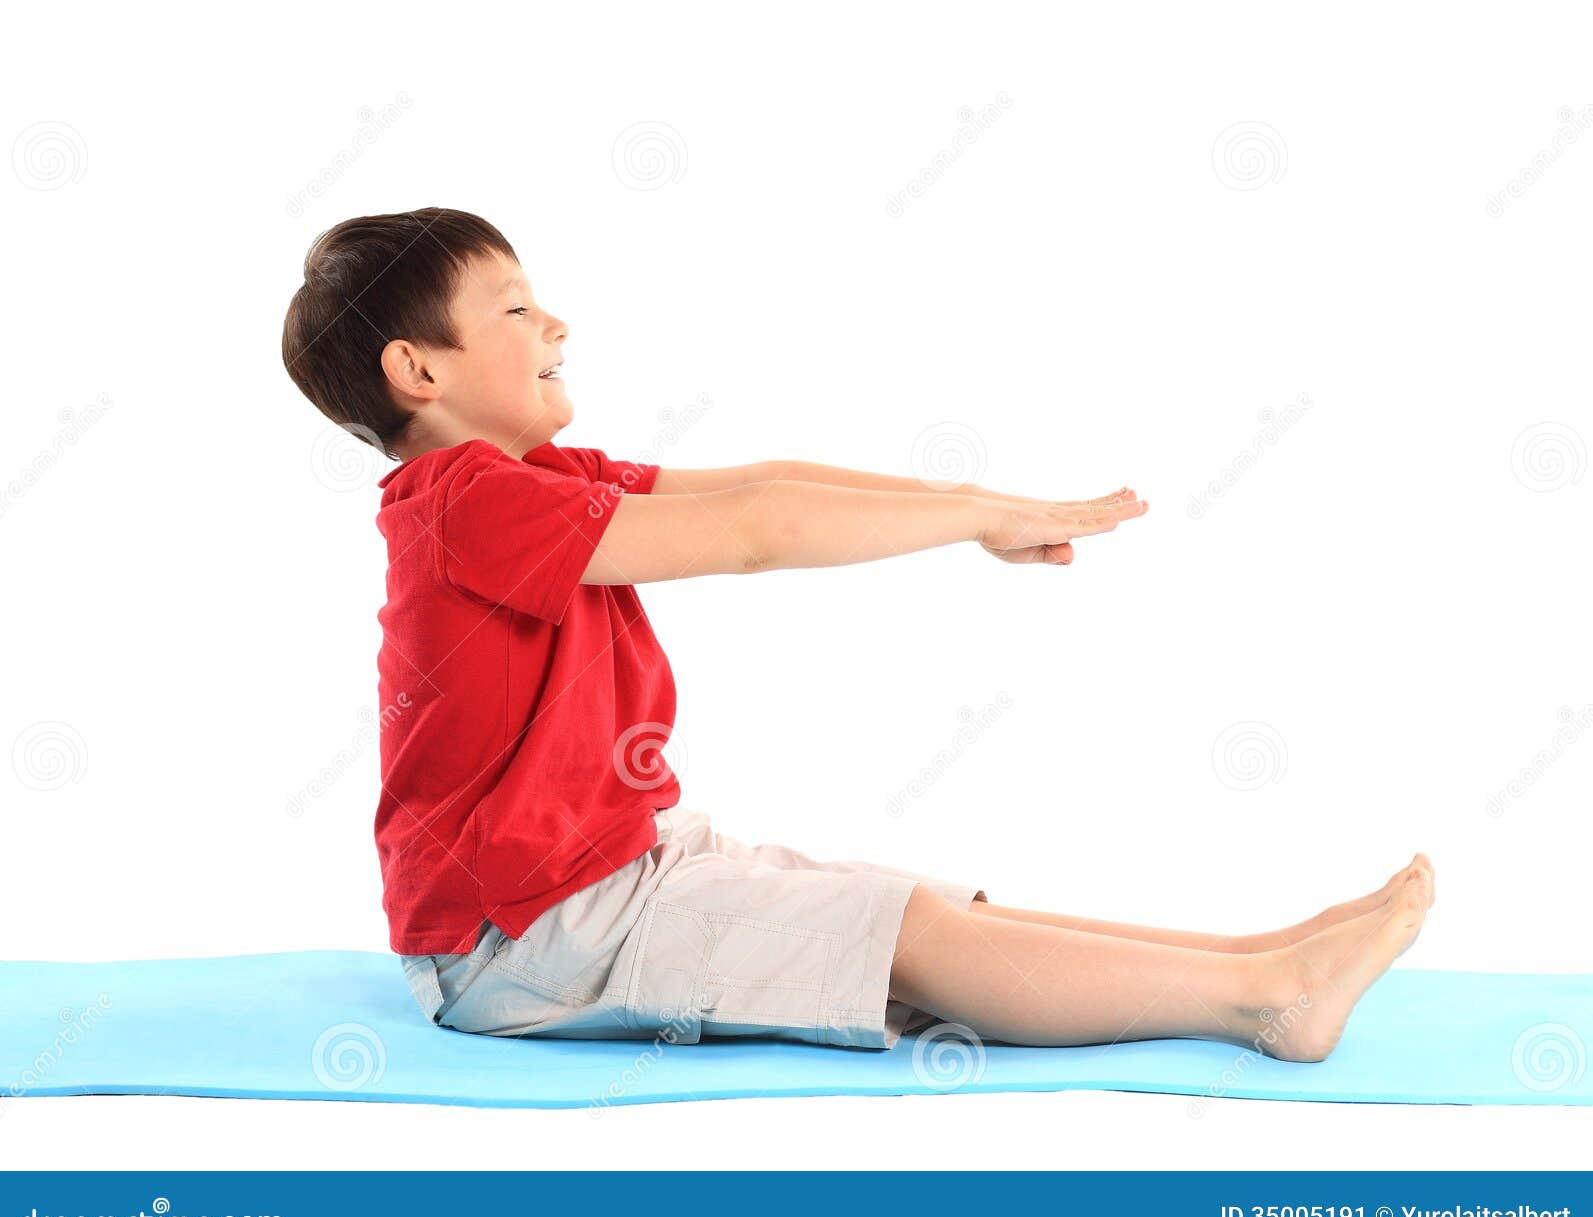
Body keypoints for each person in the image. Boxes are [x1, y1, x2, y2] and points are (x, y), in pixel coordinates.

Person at [282, 207, 1434, 1063]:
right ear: (417, 369)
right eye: (518, 308)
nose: (557, 323)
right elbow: (751, 533)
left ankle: (1253, 955)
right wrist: (979, 517)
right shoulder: (467, 503)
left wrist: (977, 508)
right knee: (905, 935)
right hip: (523, 939)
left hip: (608, 876)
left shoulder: (534, 481)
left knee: (921, 906)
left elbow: (764, 479)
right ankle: (1266, 1001)